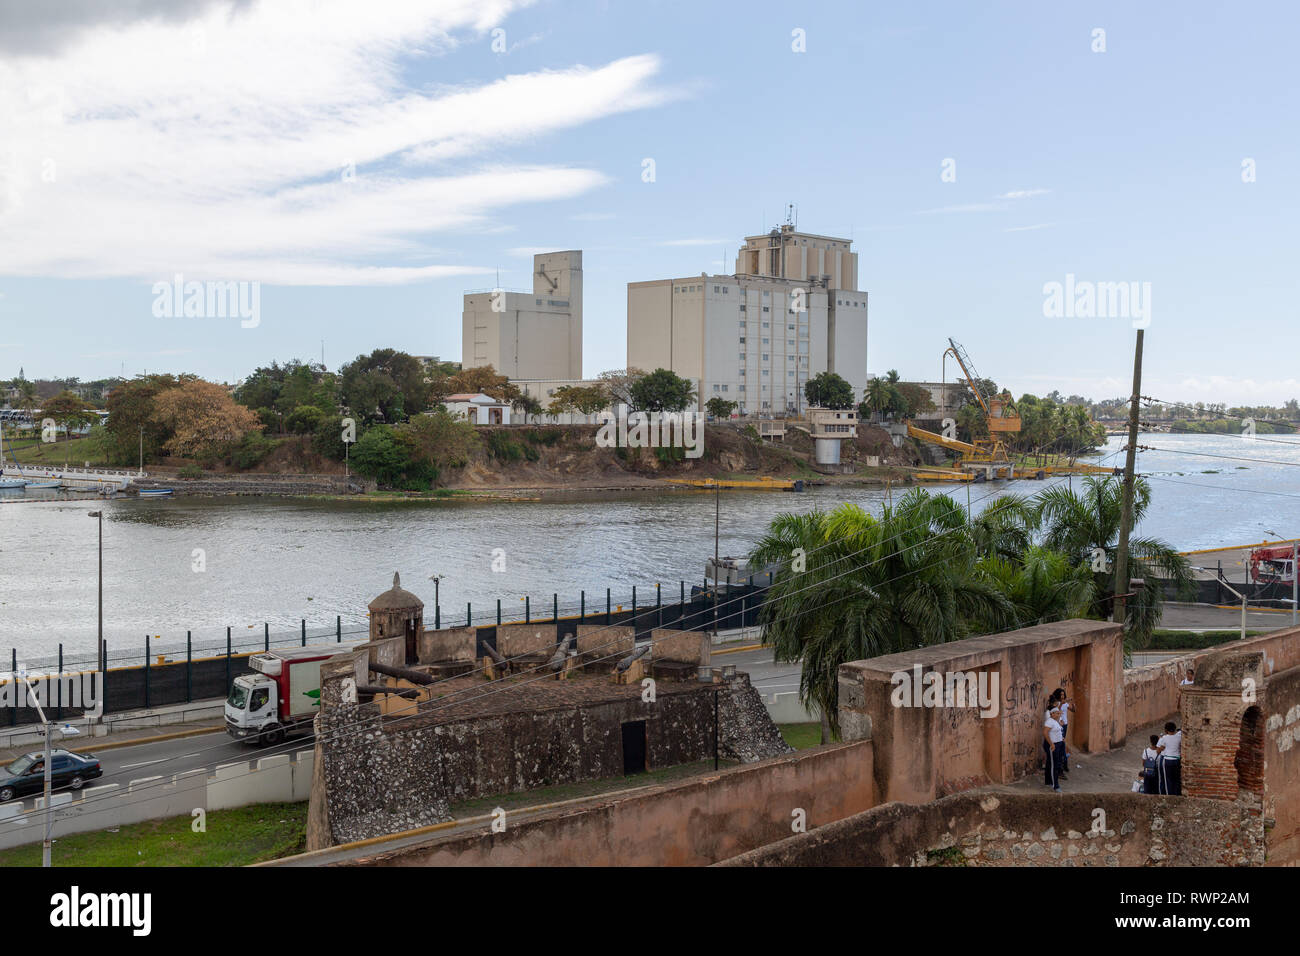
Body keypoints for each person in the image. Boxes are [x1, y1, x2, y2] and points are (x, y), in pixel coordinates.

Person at [1156, 721, 1183, 795]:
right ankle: (1177, 795)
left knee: (1167, 780)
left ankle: (1169, 796)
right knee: (1176, 779)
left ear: (1166, 730)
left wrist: (1162, 747)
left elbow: (1158, 751)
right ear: (1174, 729)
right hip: (1177, 760)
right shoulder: (1179, 736)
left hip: (1167, 760)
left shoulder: (1164, 738)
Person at [1043, 706, 1065, 792]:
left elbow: (1057, 732)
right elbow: (1045, 733)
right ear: (1052, 714)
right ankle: (1055, 785)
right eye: (1057, 713)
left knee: (1050, 763)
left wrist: (1061, 738)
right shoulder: (1049, 721)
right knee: (1054, 765)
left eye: (1059, 713)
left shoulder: (1055, 722)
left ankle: (1048, 781)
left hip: (1058, 744)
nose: (1059, 715)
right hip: (1053, 745)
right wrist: (1051, 744)